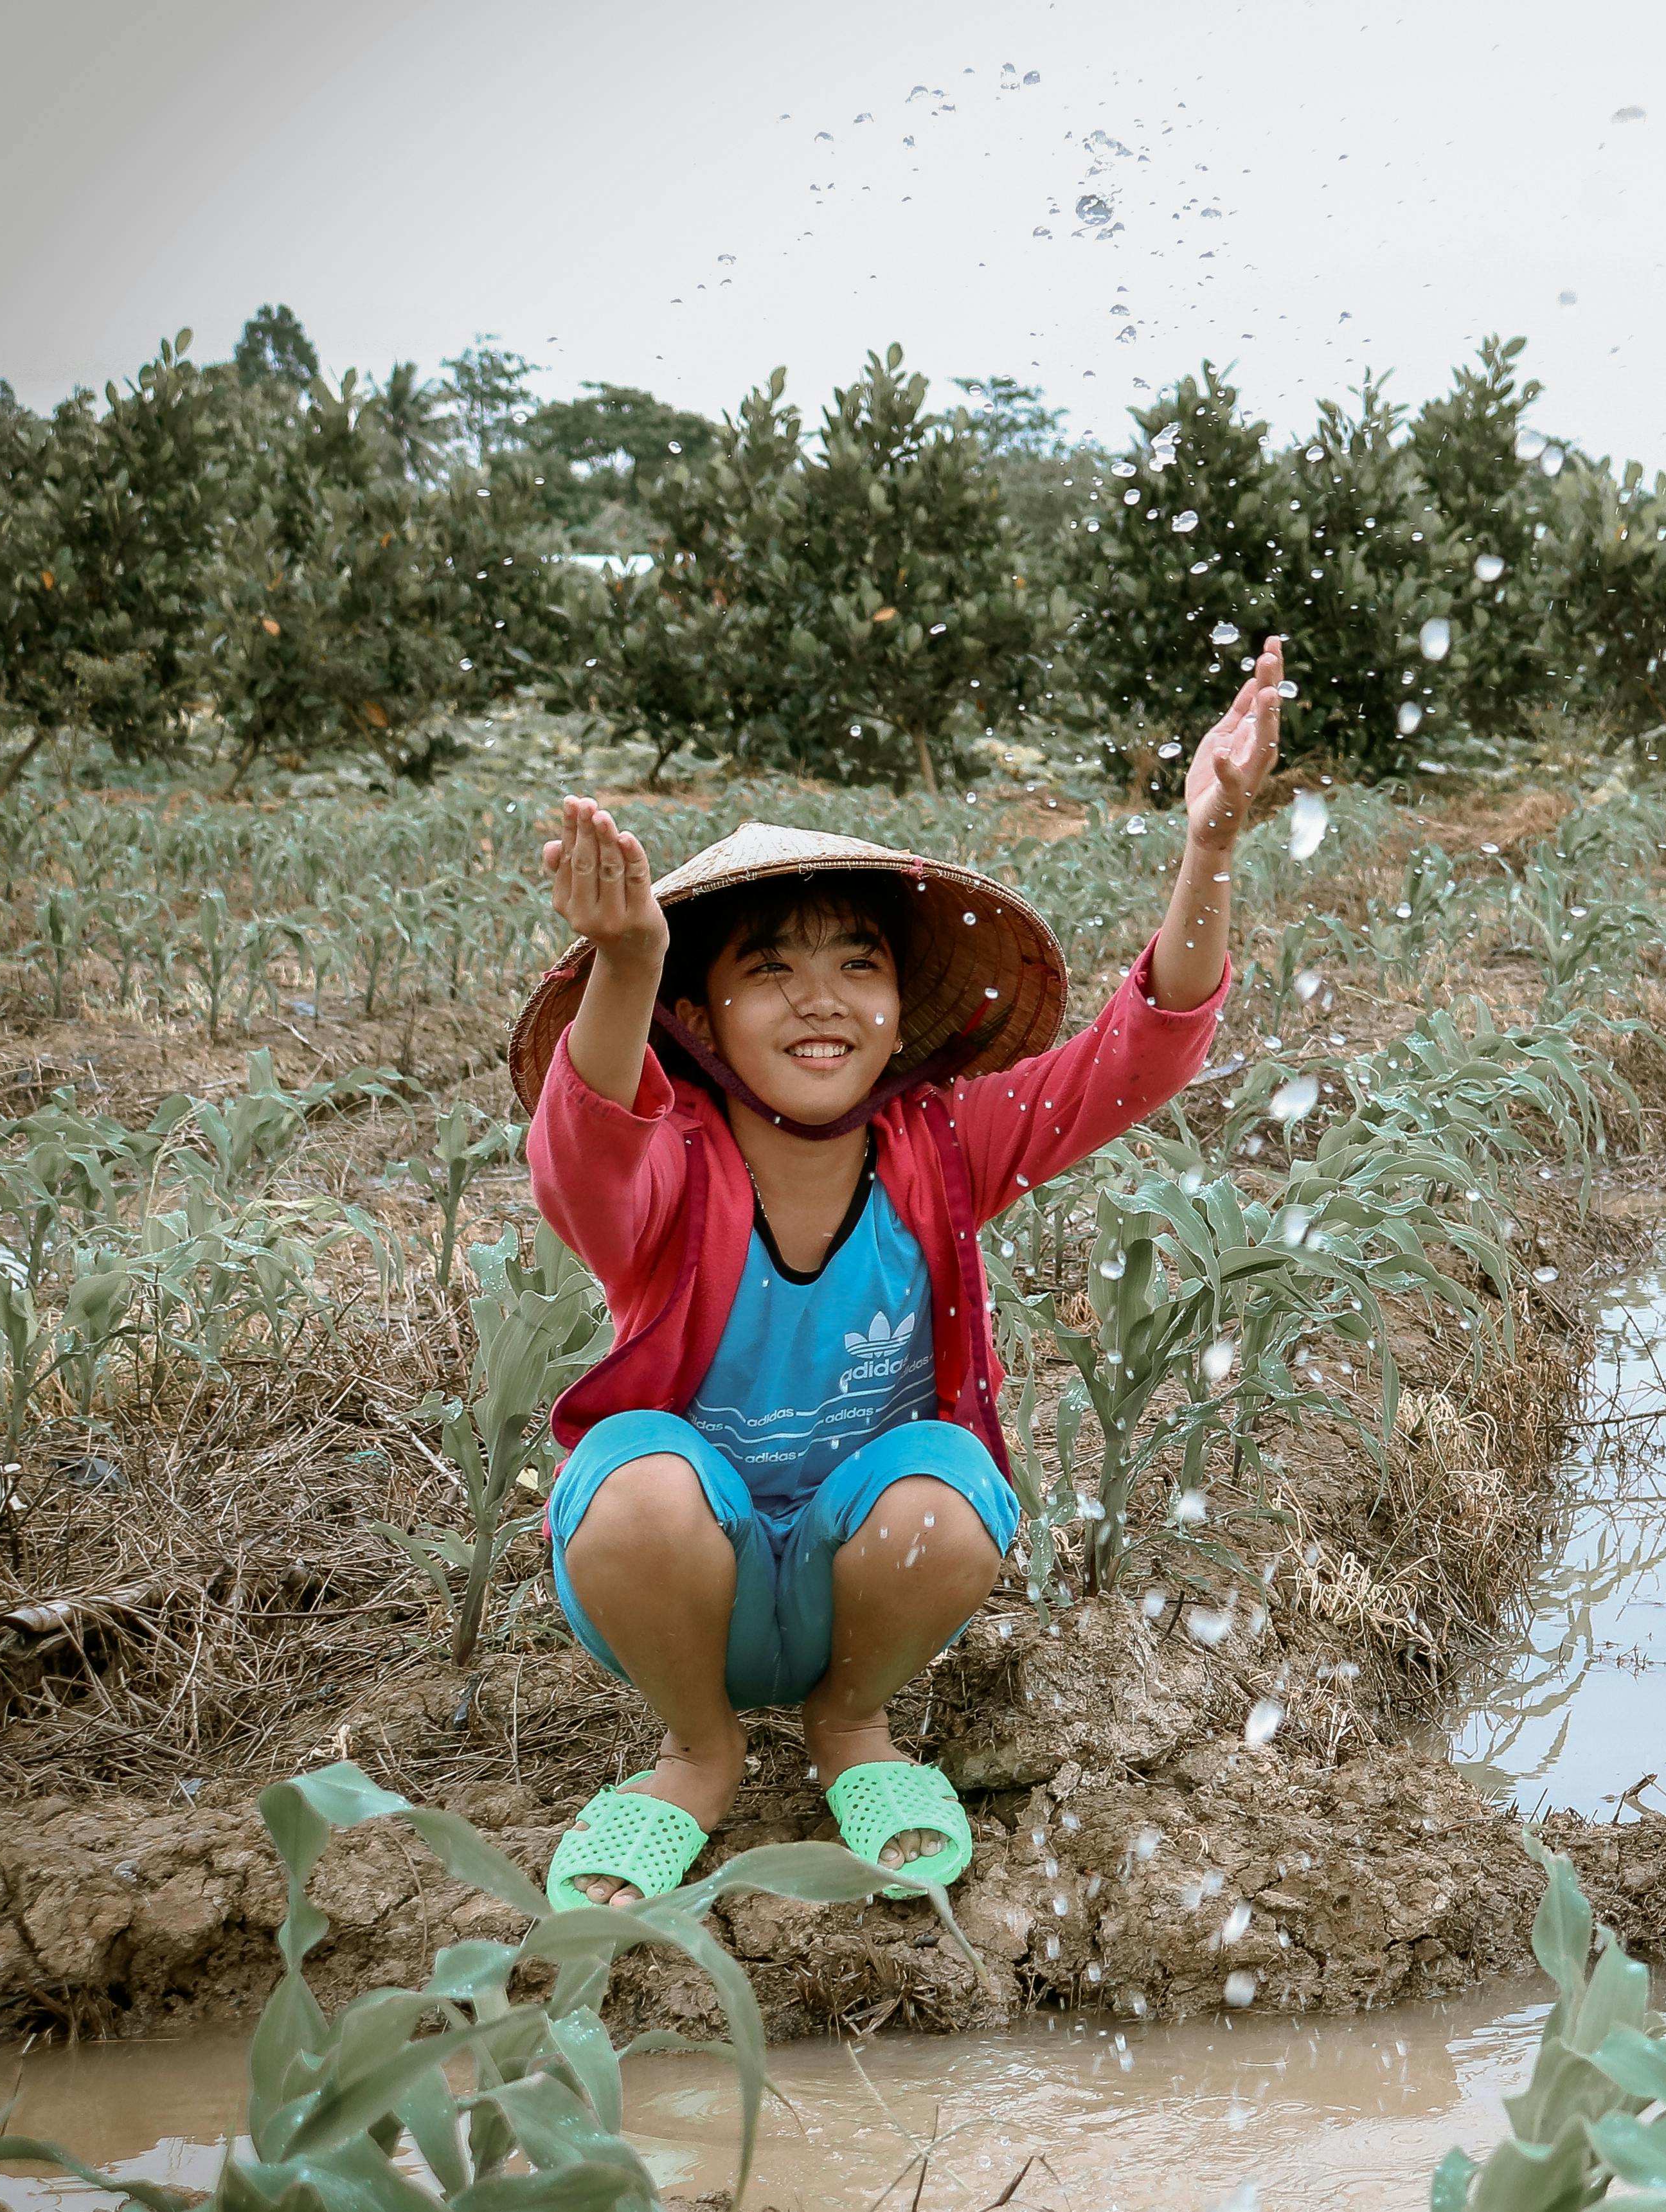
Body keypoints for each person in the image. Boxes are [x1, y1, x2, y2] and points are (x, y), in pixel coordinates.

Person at [512, 642, 1283, 1909]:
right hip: (670, 1590)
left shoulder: (938, 1147)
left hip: (849, 1583)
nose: (822, 1000)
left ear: (896, 1002)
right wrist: (628, 962)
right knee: (639, 1476)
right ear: (698, 1017)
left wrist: (1206, 849)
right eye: (769, 965)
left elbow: (1134, 1058)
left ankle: (849, 1725)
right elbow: (582, 1148)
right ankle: (698, 1751)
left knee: (948, 1486)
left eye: (855, 961)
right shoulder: (671, 1173)